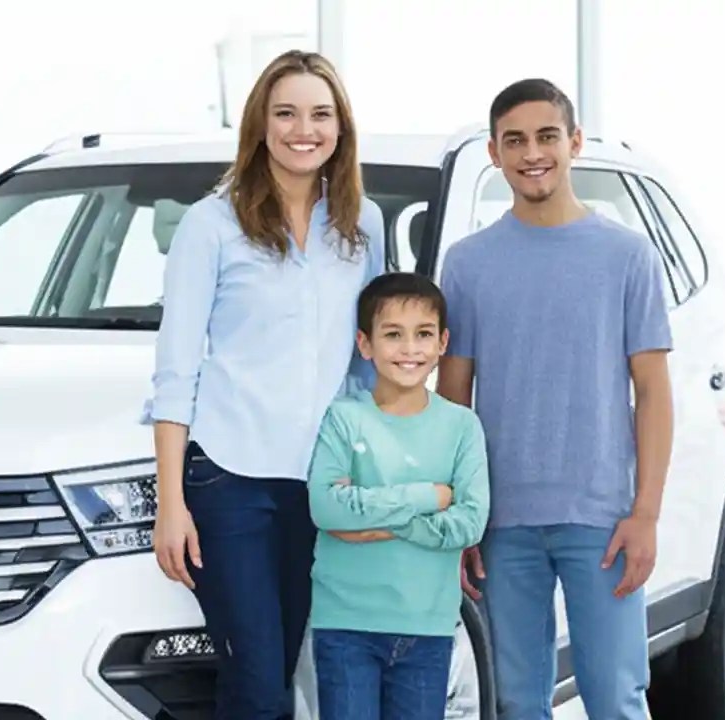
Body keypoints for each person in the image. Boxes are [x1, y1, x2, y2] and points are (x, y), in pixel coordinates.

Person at [144, 49, 385, 720]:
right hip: (230, 481)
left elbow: (368, 362)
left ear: (341, 127)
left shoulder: (363, 226)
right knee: (254, 682)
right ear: (260, 123)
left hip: (322, 484)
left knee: (280, 669)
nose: (302, 129)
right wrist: (171, 503)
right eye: (285, 113)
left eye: (319, 113)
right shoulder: (210, 226)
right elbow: (176, 370)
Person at [436, 78, 674, 719]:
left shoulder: (628, 257)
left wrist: (645, 513)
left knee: (617, 696)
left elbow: (652, 393)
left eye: (546, 136)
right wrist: (461, 514)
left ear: (574, 142)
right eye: (514, 140)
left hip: (602, 518)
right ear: (494, 152)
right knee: (517, 702)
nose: (531, 152)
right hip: (500, 521)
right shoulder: (467, 263)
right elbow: (453, 399)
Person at [305, 272, 490, 720]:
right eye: (393, 335)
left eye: (423, 334)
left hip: (426, 626)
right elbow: (324, 507)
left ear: (443, 342)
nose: (410, 349)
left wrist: (368, 520)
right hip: (345, 624)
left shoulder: (462, 426)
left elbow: (469, 523)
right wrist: (429, 495)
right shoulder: (343, 419)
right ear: (365, 344)